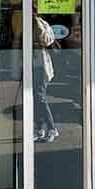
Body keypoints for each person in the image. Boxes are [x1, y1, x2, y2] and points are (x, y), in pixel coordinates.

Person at [33, 9, 58, 142]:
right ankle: (40, 128)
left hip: (41, 64)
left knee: (40, 96)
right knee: (34, 98)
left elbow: (46, 40)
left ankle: (52, 128)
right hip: (31, 63)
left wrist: (36, 21)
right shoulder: (23, 22)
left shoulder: (41, 23)